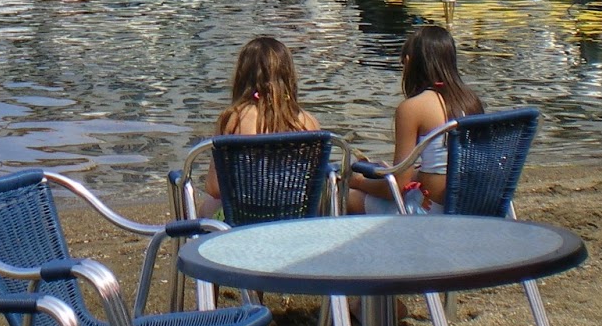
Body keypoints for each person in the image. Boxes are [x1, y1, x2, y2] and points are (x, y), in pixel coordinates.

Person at [347, 24, 484, 215]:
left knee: (342, 196)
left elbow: (395, 190)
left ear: (409, 62)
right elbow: (445, 166)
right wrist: (399, 171)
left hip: (431, 212)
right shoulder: (471, 101)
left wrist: (358, 181)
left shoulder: (413, 107)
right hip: (473, 207)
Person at [201, 35, 320, 207]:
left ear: (242, 76)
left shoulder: (233, 118)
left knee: (207, 206)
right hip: (296, 221)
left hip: (246, 221)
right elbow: (314, 184)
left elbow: (214, 188)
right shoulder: (309, 122)